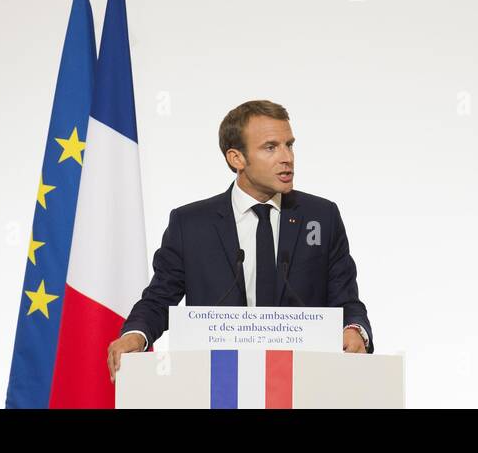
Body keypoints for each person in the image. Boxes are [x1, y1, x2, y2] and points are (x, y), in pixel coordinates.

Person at [107, 99, 373, 380]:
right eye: (271, 147)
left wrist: (354, 329)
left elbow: (346, 300)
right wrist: (136, 335)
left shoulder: (321, 216)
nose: (287, 157)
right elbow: (160, 299)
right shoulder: (190, 224)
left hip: (301, 381)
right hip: (217, 381)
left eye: (289, 144)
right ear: (237, 159)